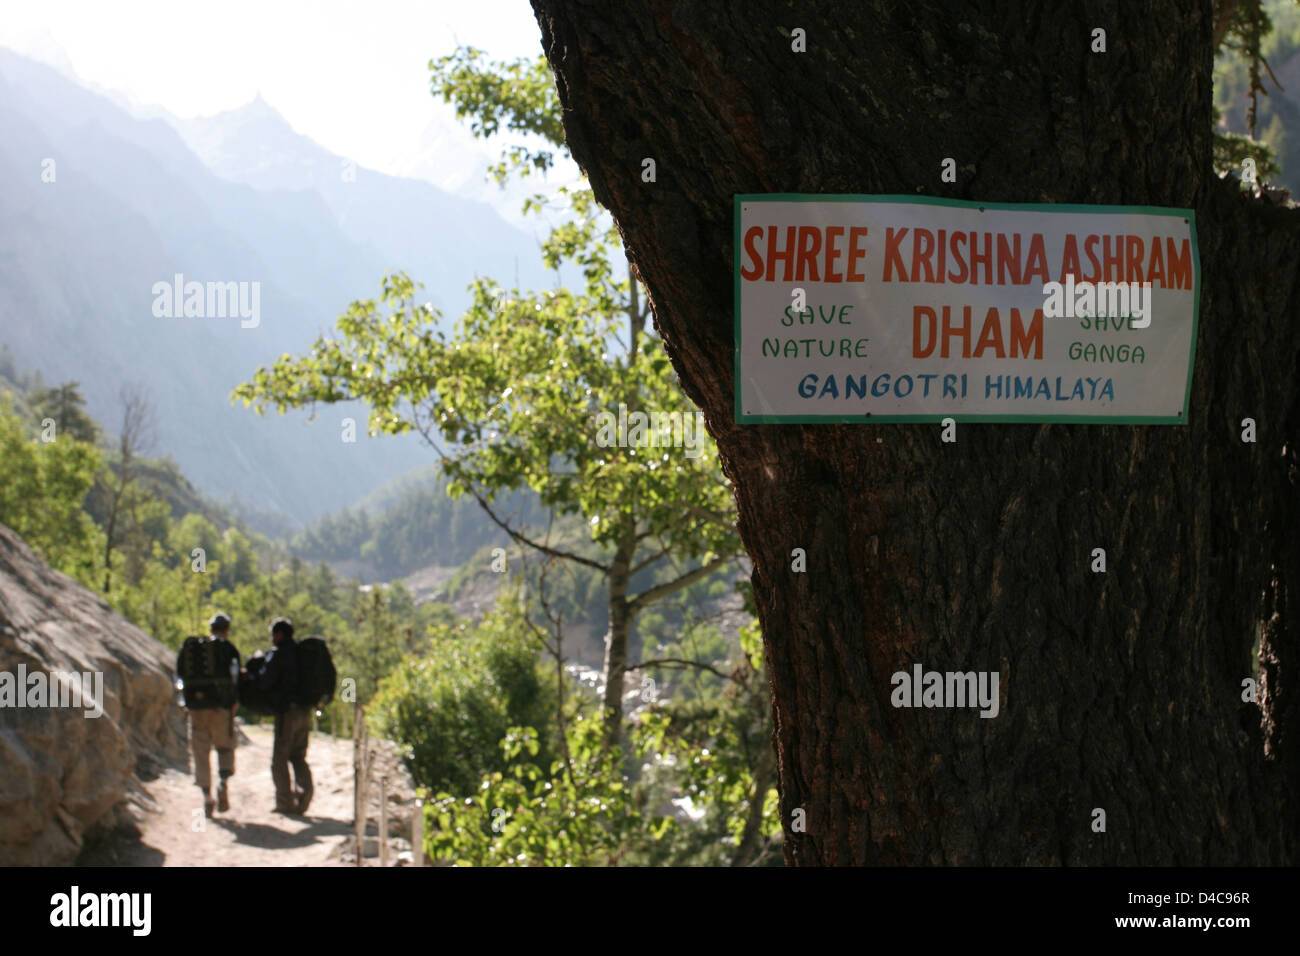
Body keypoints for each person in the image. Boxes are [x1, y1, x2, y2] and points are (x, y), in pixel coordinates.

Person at [181, 612, 240, 818]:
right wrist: (234, 702)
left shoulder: (192, 648)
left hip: (197, 709)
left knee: (201, 752)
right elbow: (235, 678)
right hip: (220, 708)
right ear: (227, 630)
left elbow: (180, 674)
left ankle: (206, 796)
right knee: (225, 747)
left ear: (211, 629)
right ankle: (223, 783)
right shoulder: (228, 649)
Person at [260, 617, 313, 815]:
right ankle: (305, 796)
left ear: (279, 634)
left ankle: (285, 802)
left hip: (287, 713)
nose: (272, 638)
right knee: (298, 756)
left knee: (280, 758)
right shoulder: (303, 653)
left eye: (273, 634)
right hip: (304, 711)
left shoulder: (279, 654)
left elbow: (266, 681)